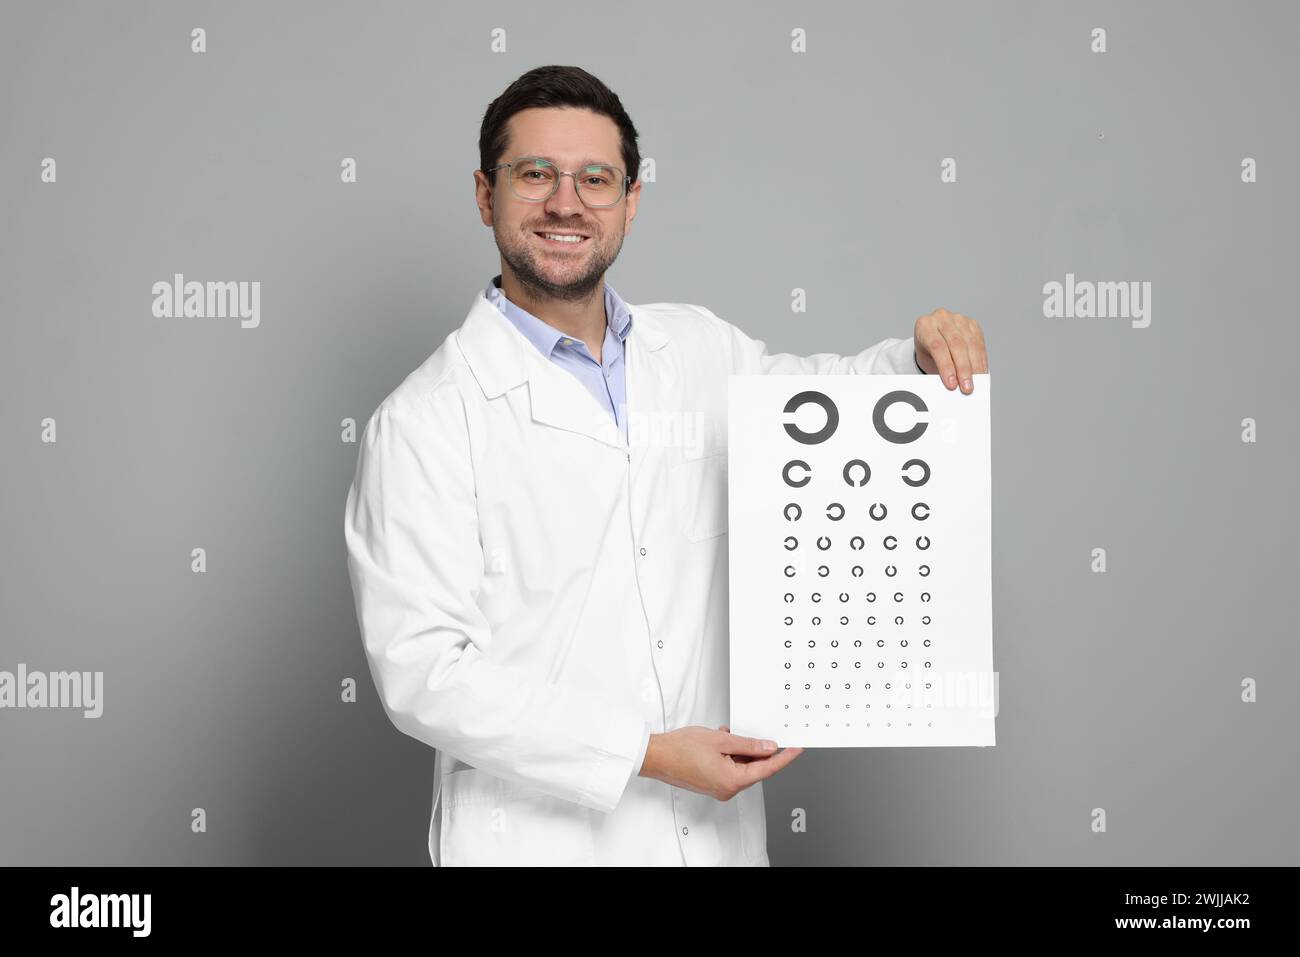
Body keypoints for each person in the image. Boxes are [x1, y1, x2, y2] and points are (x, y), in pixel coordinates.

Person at [343, 64, 990, 866]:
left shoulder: (697, 350)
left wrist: (921, 360)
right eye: (535, 174)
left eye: (596, 178)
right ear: (485, 194)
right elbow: (425, 673)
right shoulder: (425, 420)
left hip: (711, 843)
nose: (566, 202)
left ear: (631, 200)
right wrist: (646, 753)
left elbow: (823, 408)